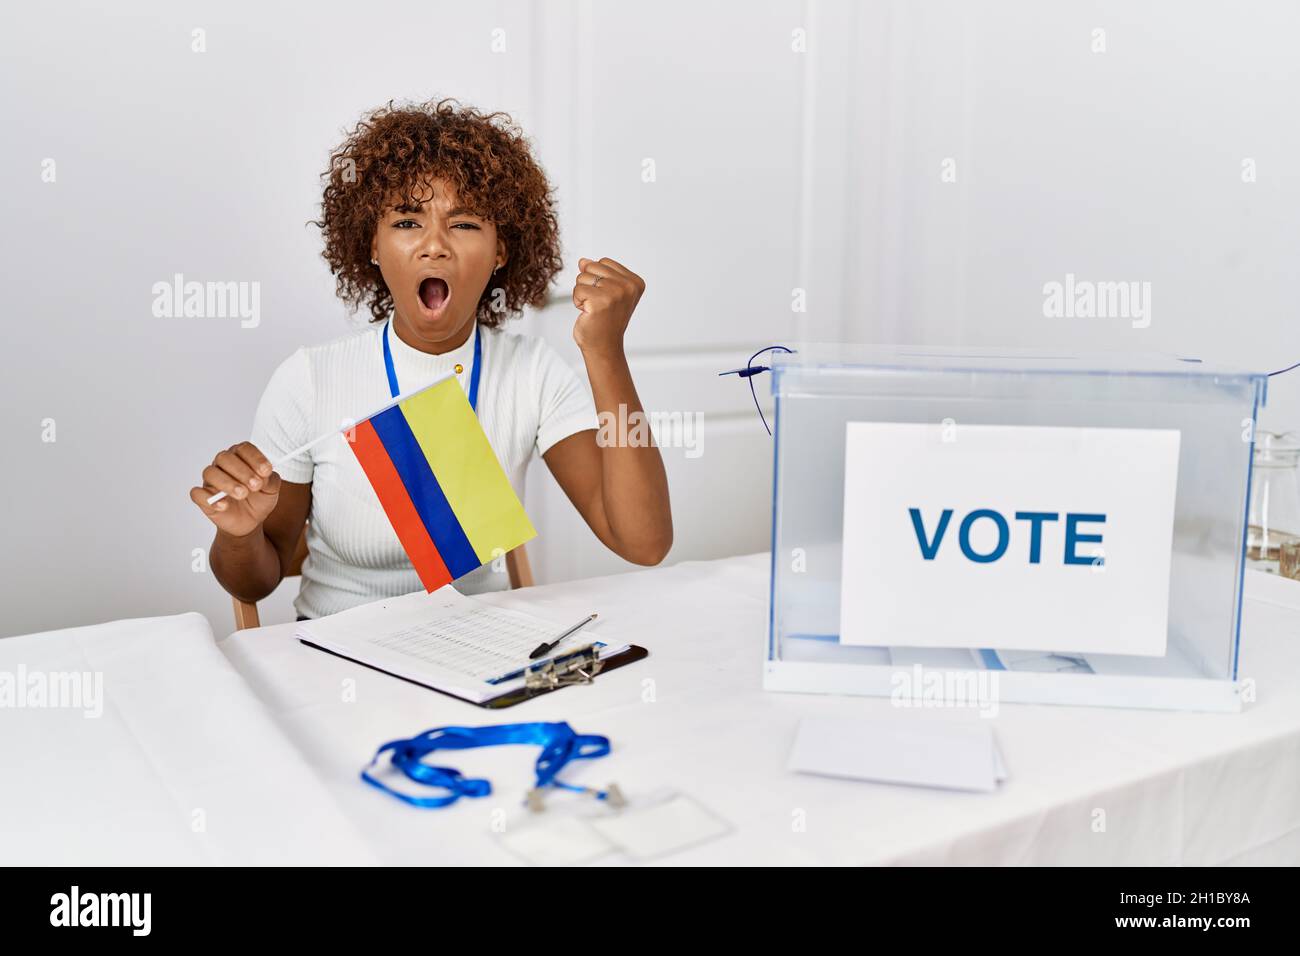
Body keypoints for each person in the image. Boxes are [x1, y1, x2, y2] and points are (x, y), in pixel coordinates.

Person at [188, 99, 672, 620]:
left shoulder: (531, 372)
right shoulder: (310, 378)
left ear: (501, 251)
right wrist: (237, 535)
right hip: (336, 655)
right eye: (406, 222)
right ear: (371, 243)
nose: (434, 246)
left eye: (463, 224)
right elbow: (257, 580)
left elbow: (643, 542)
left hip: (480, 646)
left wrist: (605, 351)